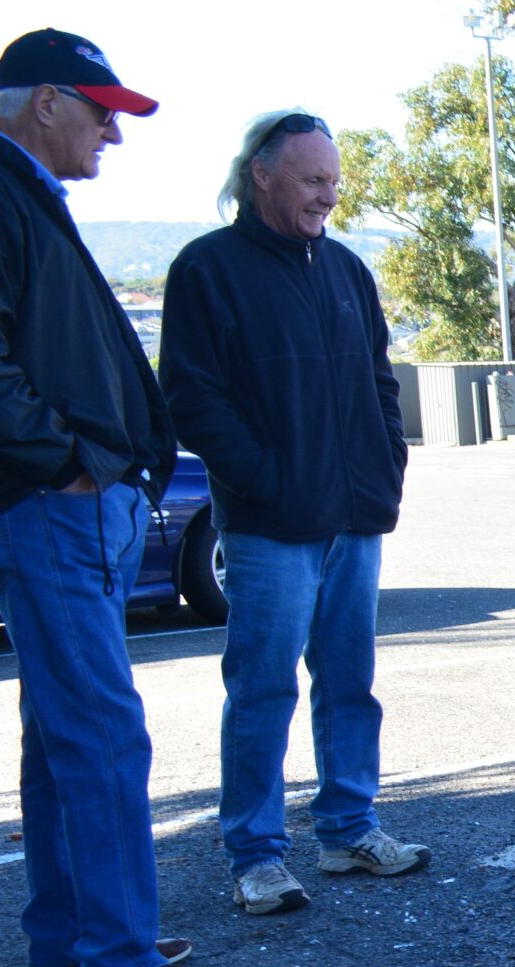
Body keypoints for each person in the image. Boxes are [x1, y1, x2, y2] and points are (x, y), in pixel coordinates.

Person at [0, 30, 242, 967]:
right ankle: (120, 961)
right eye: (101, 111)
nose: (113, 134)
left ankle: (72, 940)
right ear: (44, 102)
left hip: (67, 504)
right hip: (51, 506)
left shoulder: (22, 193)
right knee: (101, 733)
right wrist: (66, 462)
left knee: (61, 731)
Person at [161, 108, 432, 917]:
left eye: (335, 182)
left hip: (355, 516)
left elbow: (381, 380)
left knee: (350, 681)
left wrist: (387, 464)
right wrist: (267, 479)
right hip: (270, 524)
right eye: (314, 180)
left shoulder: (347, 270)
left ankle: (349, 830)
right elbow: (192, 397)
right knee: (263, 687)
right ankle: (256, 853)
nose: (328, 196)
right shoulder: (207, 269)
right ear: (262, 175)